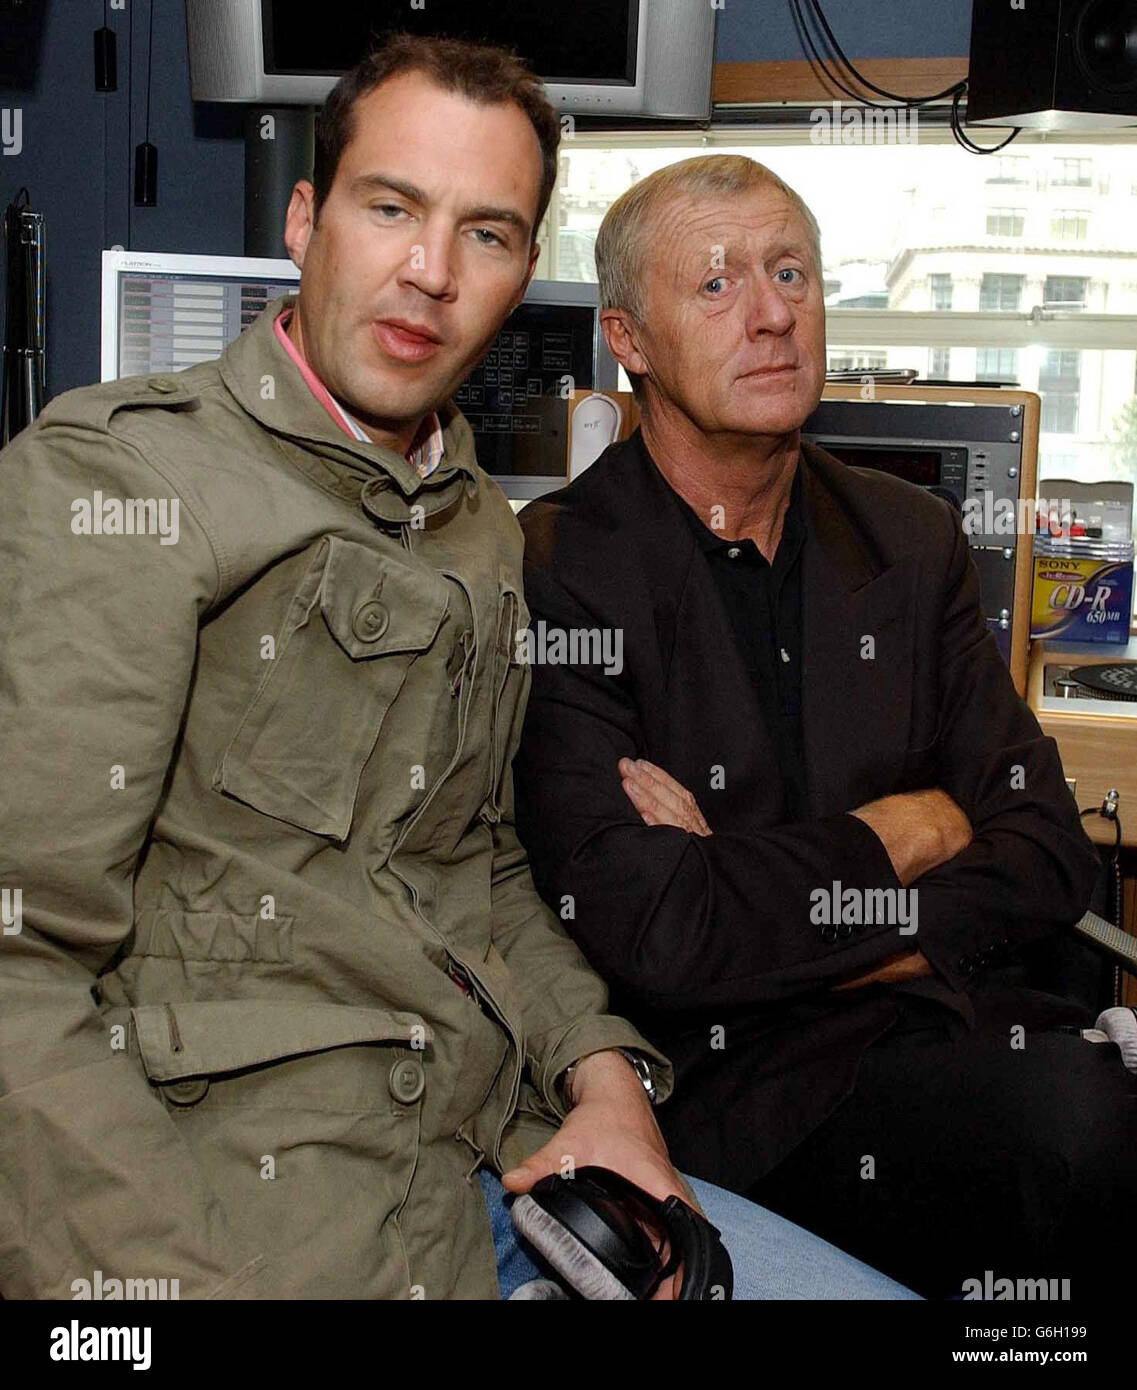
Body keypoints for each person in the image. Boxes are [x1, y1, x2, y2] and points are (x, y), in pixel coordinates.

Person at [0, 38, 916, 1301]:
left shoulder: (477, 523)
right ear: (306, 218)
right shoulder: (125, 483)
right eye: (392, 208)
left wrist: (605, 1081)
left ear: (523, 273)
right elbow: (17, 960)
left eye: (485, 234)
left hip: (493, 1168)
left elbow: (473, 867)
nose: (429, 272)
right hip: (245, 1213)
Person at [514, 153, 1132, 1299]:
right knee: (1080, 1138)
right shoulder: (560, 570)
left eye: (791, 272)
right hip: (747, 1092)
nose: (771, 313)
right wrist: (912, 826)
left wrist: (759, 900)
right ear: (628, 340)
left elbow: (1047, 852)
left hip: (954, 1027)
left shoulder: (907, 536)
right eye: (715, 284)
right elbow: (659, 934)